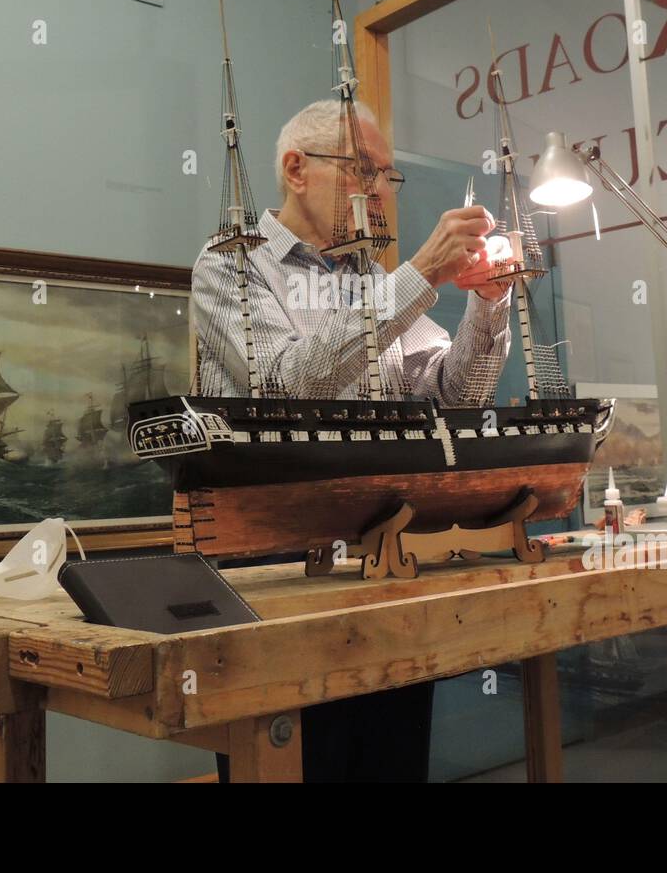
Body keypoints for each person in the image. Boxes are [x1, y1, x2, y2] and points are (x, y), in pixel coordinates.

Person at [196, 99, 514, 782]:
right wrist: (420, 274)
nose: (377, 192)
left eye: (386, 177)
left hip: (380, 569)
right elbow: (284, 385)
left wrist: (488, 304)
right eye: (362, 171)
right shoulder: (230, 267)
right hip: (269, 586)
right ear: (295, 169)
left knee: (392, 760)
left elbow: (455, 397)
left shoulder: (374, 280)